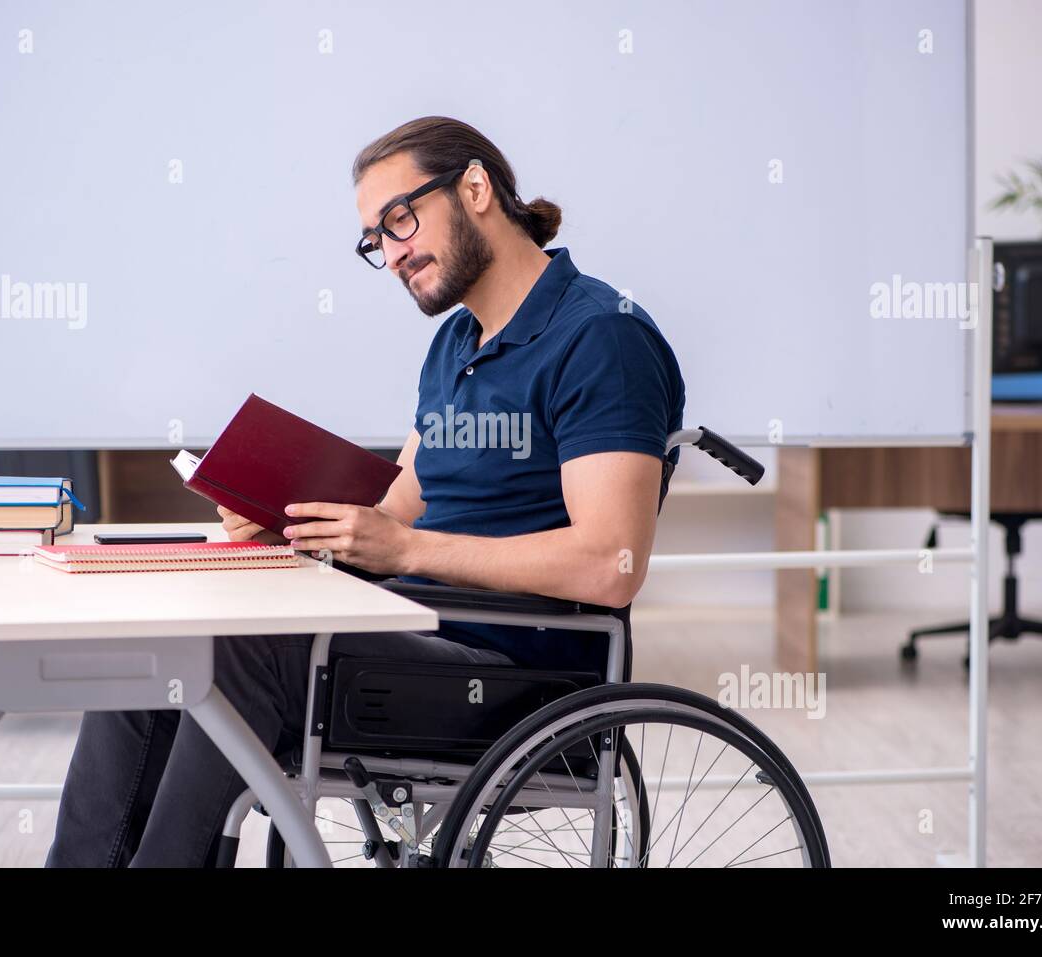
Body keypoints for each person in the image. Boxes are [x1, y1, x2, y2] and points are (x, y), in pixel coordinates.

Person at [46, 115, 685, 866]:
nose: (391, 253)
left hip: (523, 676)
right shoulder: (457, 343)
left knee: (248, 649)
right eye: (375, 239)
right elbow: (396, 509)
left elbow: (610, 563)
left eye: (400, 219)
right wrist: (284, 519)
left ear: (476, 187)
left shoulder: (600, 337)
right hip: (422, 632)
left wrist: (407, 548)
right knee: (155, 639)